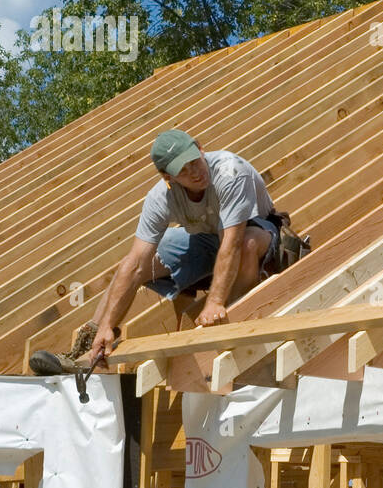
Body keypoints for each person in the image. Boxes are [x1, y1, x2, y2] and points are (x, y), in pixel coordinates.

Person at [30, 130, 296, 375]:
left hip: (255, 231)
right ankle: (89, 346)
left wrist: (214, 302)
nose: (195, 172)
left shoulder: (229, 172)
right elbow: (135, 263)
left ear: (201, 149)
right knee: (137, 263)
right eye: (183, 170)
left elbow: (232, 243)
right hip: (208, 238)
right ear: (167, 177)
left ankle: (233, 321)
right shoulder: (160, 198)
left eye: (195, 161)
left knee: (247, 243)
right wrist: (108, 325)